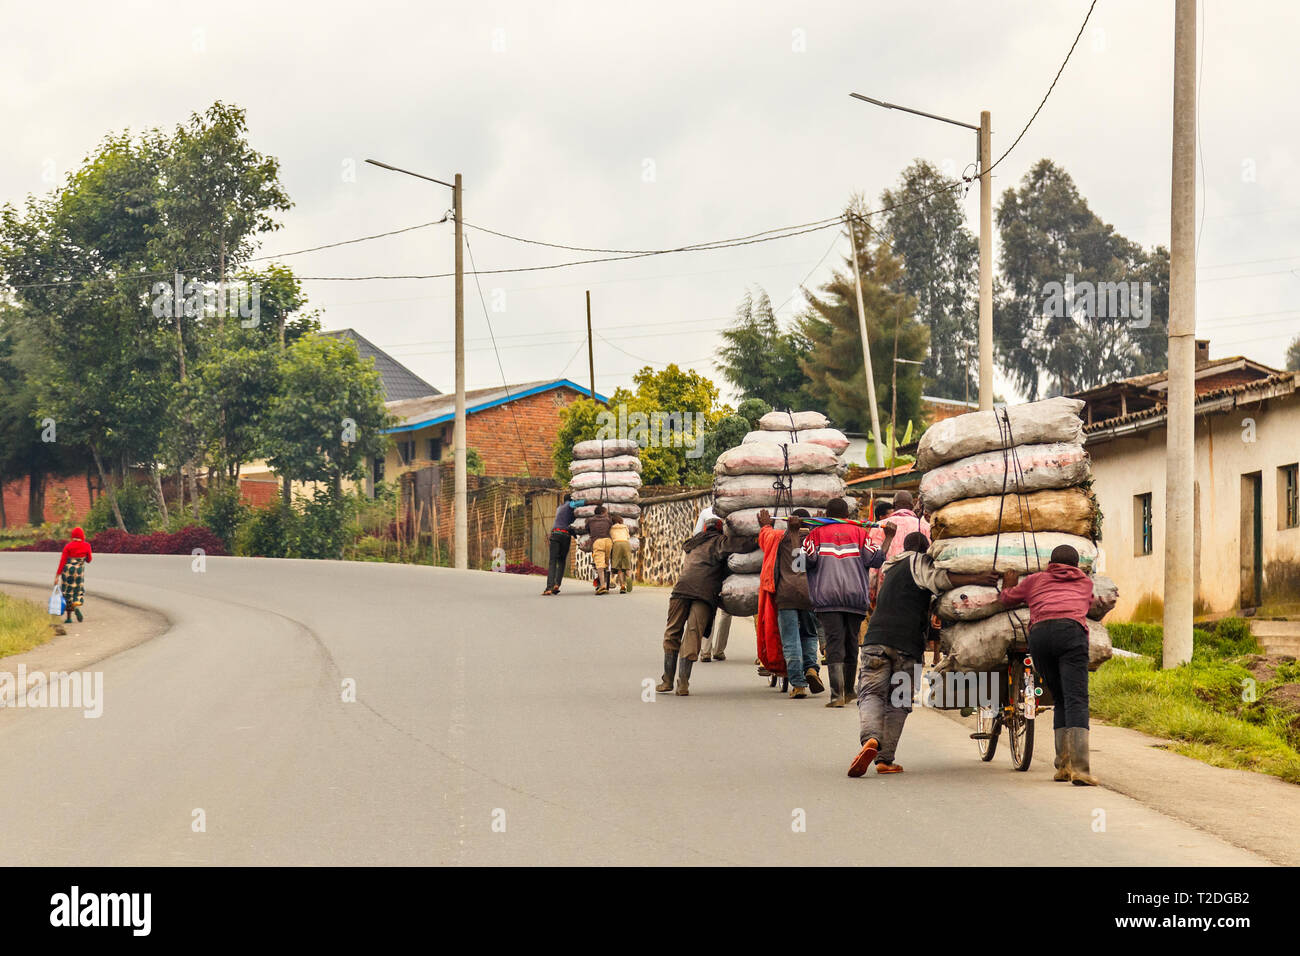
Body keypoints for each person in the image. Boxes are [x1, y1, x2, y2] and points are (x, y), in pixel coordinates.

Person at [848, 532, 996, 776]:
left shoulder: (889, 567)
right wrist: (980, 577)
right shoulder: (917, 561)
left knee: (871, 693)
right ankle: (885, 759)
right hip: (907, 645)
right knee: (899, 701)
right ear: (924, 549)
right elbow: (942, 580)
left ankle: (871, 740)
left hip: (875, 640)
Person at [999, 544, 1099, 785]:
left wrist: (1008, 584)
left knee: (1060, 698)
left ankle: (1062, 766)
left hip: (1040, 636)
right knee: (1076, 699)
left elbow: (1006, 600)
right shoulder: (1085, 583)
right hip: (1071, 634)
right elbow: (1092, 605)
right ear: (1076, 566)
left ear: (1050, 564)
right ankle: (1081, 770)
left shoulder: (1035, 580)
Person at [656, 518, 753, 696]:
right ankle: (683, 683)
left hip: (681, 589)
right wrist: (761, 534)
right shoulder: (719, 541)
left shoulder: (692, 543)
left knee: (672, 632)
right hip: (704, 593)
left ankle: (667, 680)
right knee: (693, 634)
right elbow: (743, 546)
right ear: (720, 530)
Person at [801, 497, 876, 708]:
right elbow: (876, 559)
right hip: (855, 597)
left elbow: (804, 562)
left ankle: (837, 694)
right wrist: (888, 537)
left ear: (825, 514)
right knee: (852, 642)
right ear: (847, 515)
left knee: (835, 642)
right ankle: (850, 690)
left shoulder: (815, 534)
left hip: (828, 597)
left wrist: (798, 537)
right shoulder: (861, 533)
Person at [758, 508, 822, 698]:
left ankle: (798, 684)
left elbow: (766, 536)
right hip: (810, 595)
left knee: (791, 639)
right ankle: (811, 669)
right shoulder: (816, 540)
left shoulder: (779, 538)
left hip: (786, 596)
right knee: (810, 635)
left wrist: (765, 525)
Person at [695, 501, 733, 662]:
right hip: (727, 568)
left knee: (709, 610)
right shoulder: (733, 514)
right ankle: (718, 650)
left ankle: (705, 651)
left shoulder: (706, 512)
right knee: (727, 611)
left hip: (709, 571)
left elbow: (696, 535)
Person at [543, 493, 585, 595]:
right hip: (565, 535)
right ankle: (557, 584)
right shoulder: (570, 505)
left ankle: (549, 588)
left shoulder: (559, 508)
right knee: (561, 561)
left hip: (555, 534)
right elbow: (583, 502)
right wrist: (594, 502)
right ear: (571, 500)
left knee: (552, 561)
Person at [55, 526, 94, 624]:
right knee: (77, 591)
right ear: (82, 535)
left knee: (67, 593)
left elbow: (62, 561)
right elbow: (89, 560)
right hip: (78, 573)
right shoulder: (87, 545)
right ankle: (76, 606)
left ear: (73, 536)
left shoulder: (68, 546)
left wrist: (57, 575)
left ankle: (69, 618)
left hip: (67, 572)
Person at [878, 490, 929, 564]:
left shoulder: (880, 525)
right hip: (916, 573)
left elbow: (873, 561)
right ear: (912, 506)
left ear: (894, 505)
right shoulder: (925, 526)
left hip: (887, 573)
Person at [867, 498, 895, 609]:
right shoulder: (878, 528)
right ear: (881, 517)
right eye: (891, 515)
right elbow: (874, 560)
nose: (894, 518)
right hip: (884, 582)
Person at [586, 505, 614, 595]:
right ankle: (610, 579)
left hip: (597, 542)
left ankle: (602, 585)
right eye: (605, 513)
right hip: (608, 542)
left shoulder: (590, 520)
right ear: (602, 512)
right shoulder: (608, 520)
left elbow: (587, 530)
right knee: (607, 562)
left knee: (600, 565)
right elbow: (612, 529)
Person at [609, 515, 634, 593]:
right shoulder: (625, 527)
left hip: (617, 544)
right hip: (626, 544)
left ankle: (622, 586)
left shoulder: (611, 528)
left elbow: (611, 538)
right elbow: (628, 537)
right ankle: (629, 578)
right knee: (627, 565)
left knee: (619, 567)